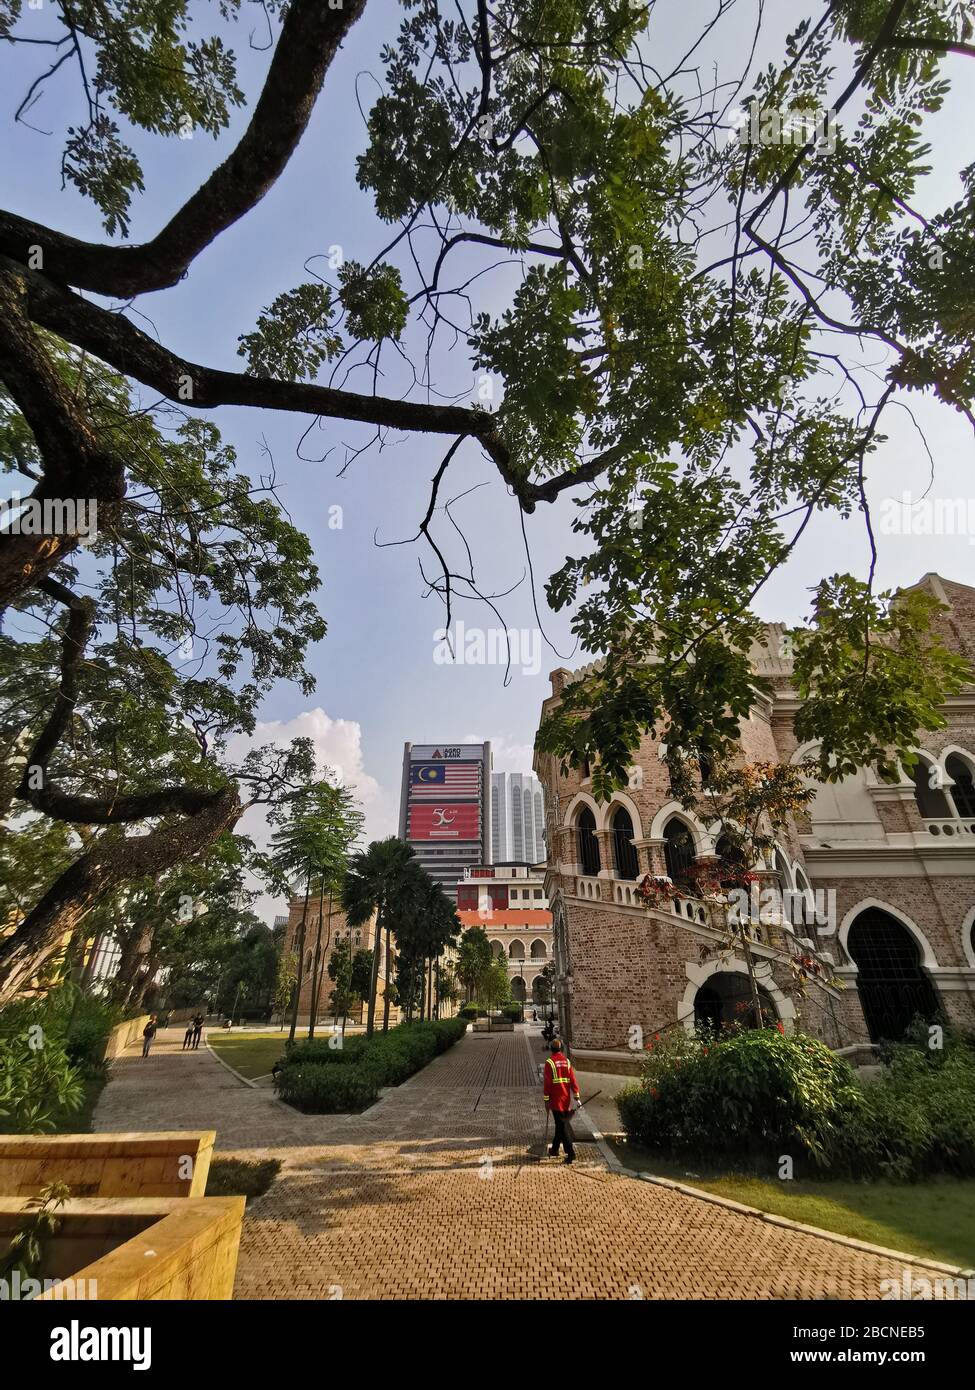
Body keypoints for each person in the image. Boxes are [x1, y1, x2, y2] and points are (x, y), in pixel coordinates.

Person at [543, 1037, 581, 1164]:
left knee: (562, 1127)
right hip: (566, 1101)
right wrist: (577, 1097)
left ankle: (571, 1154)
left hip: (555, 1101)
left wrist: (546, 1102)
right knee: (560, 1125)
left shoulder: (550, 1063)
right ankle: (554, 1149)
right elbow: (573, 1081)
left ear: (551, 1049)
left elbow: (547, 1084)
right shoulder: (567, 1062)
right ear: (561, 1049)